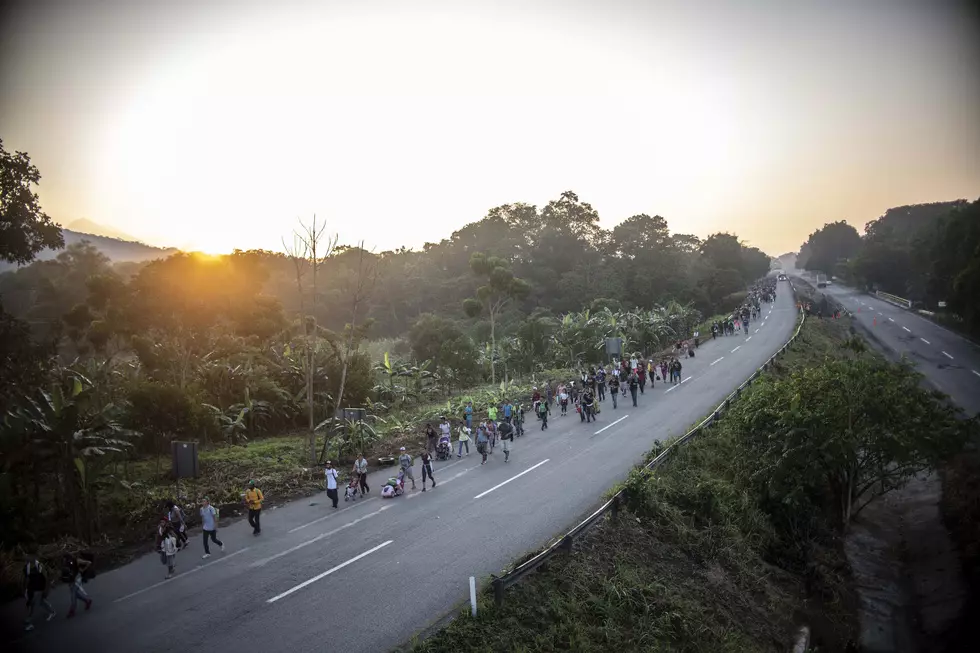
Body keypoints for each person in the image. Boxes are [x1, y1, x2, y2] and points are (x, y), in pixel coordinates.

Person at [23, 551, 55, 630]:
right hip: (31, 588)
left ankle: (29, 622)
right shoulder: (27, 567)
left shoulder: (39, 565)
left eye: (29, 556)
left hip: (39, 588)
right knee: (40, 602)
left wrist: (46, 589)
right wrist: (24, 589)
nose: (27, 558)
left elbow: (46, 577)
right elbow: (26, 578)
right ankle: (52, 611)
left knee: (33, 604)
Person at [62, 553, 92, 617]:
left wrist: (83, 570)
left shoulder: (76, 560)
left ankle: (72, 610)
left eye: (64, 559)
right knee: (75, 594)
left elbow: (88, 562)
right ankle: (87, 601)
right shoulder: (66, 563)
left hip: (77, 579)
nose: (63, 560)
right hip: (72, 580)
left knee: (73, 594)